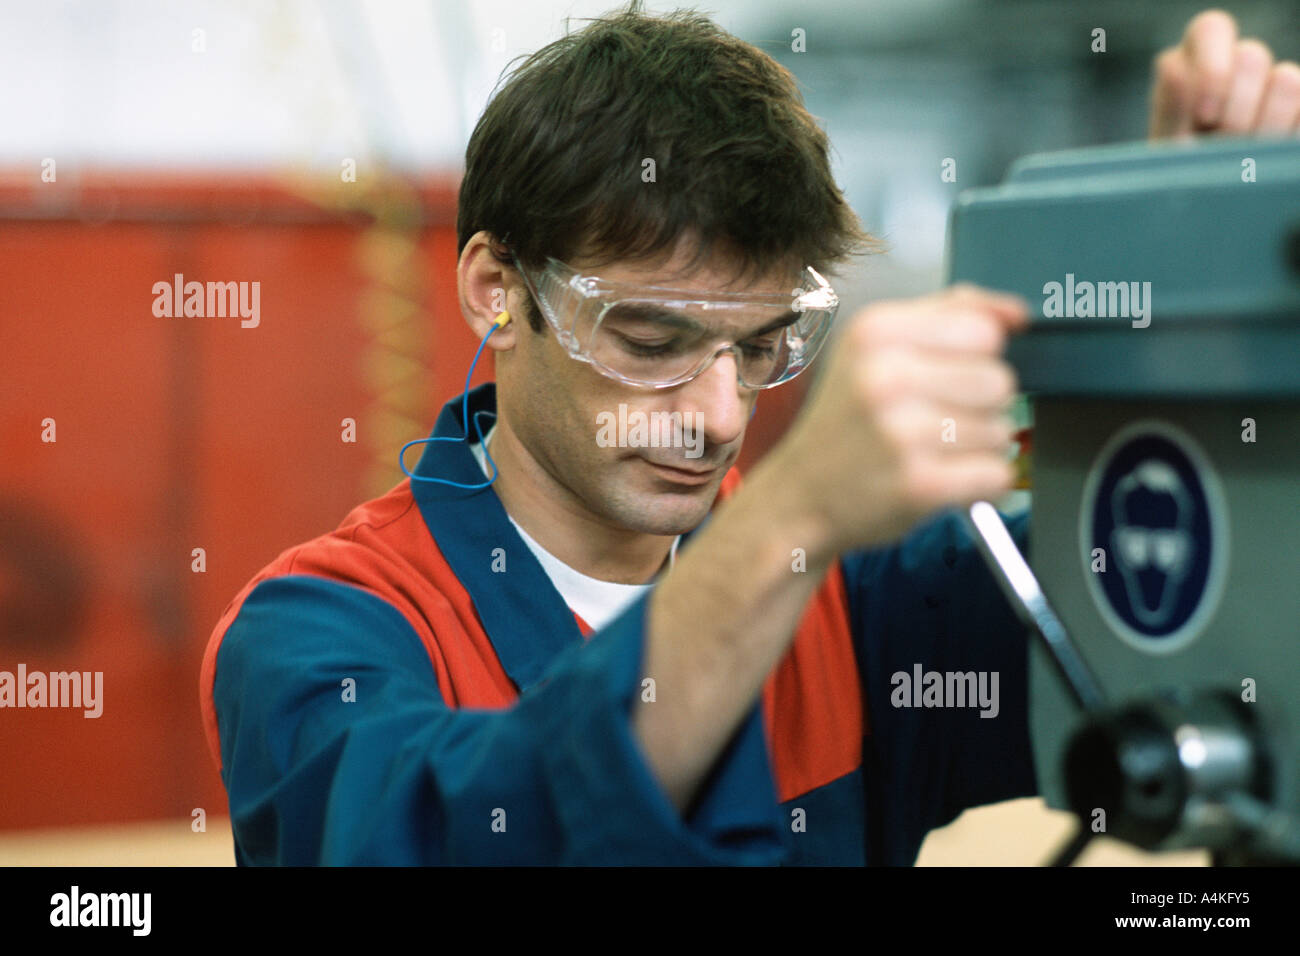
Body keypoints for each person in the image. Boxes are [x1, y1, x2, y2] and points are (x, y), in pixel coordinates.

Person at [198, 5, 1300, 865]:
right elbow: (474, 827)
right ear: (497, 290)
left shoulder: (864, 601)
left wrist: (1192, 253)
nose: (721, 414)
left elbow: (1189, 619)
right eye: (649, 334)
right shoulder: (322, 637)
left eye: (766, 344)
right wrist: (796, 506)